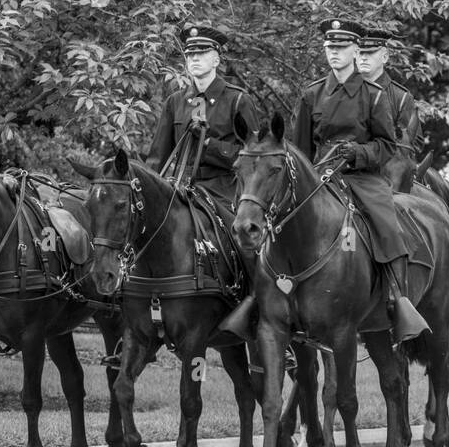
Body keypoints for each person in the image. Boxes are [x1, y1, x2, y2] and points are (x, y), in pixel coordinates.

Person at [219, 18, 429, 344]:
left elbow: (387, 146)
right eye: (330, 47)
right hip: (318, 178)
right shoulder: (312, 93)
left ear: (355, 50)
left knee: (388, 224)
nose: (334, 53)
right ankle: (257, 299)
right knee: (270, 225)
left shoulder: (374, 96)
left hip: (362, 178)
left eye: (341, 47)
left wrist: (359, 153)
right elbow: (300, 149)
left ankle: (397, 299)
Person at [147, 23, 260, 206]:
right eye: (190, 54)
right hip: (179, 190)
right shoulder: (175, 102)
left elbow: (254, 158)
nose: (194, 58)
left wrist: (208, 143)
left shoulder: (238, 100)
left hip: (224, 193)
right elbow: (157, 158)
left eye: (202, 53)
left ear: (216, 61)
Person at [356, 26, 422, 176]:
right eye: (360, 52)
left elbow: (414, 144)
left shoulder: (401, 97)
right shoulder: (342, 92)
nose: (363, 57)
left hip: (385, 175)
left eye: (370, 53)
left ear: (385, 57)